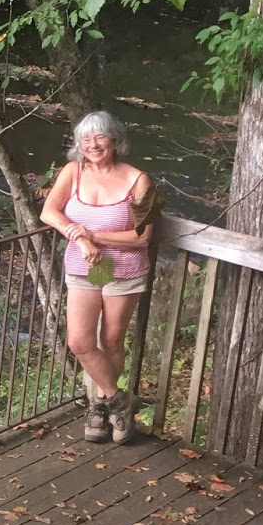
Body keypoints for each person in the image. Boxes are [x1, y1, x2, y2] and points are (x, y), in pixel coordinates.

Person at [40, 110, 156, 445]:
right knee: (79, 342)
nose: (92, 144)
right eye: (85, 139)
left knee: (112, 340)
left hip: (124, 270)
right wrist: (78, 237)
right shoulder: (72, 172)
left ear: (115, 140)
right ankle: (117, 400)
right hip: (83, 268)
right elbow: (49, 212)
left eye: (100, 137)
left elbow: (143, 237)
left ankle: (101, 408)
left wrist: (93, 234)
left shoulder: (140, 180)